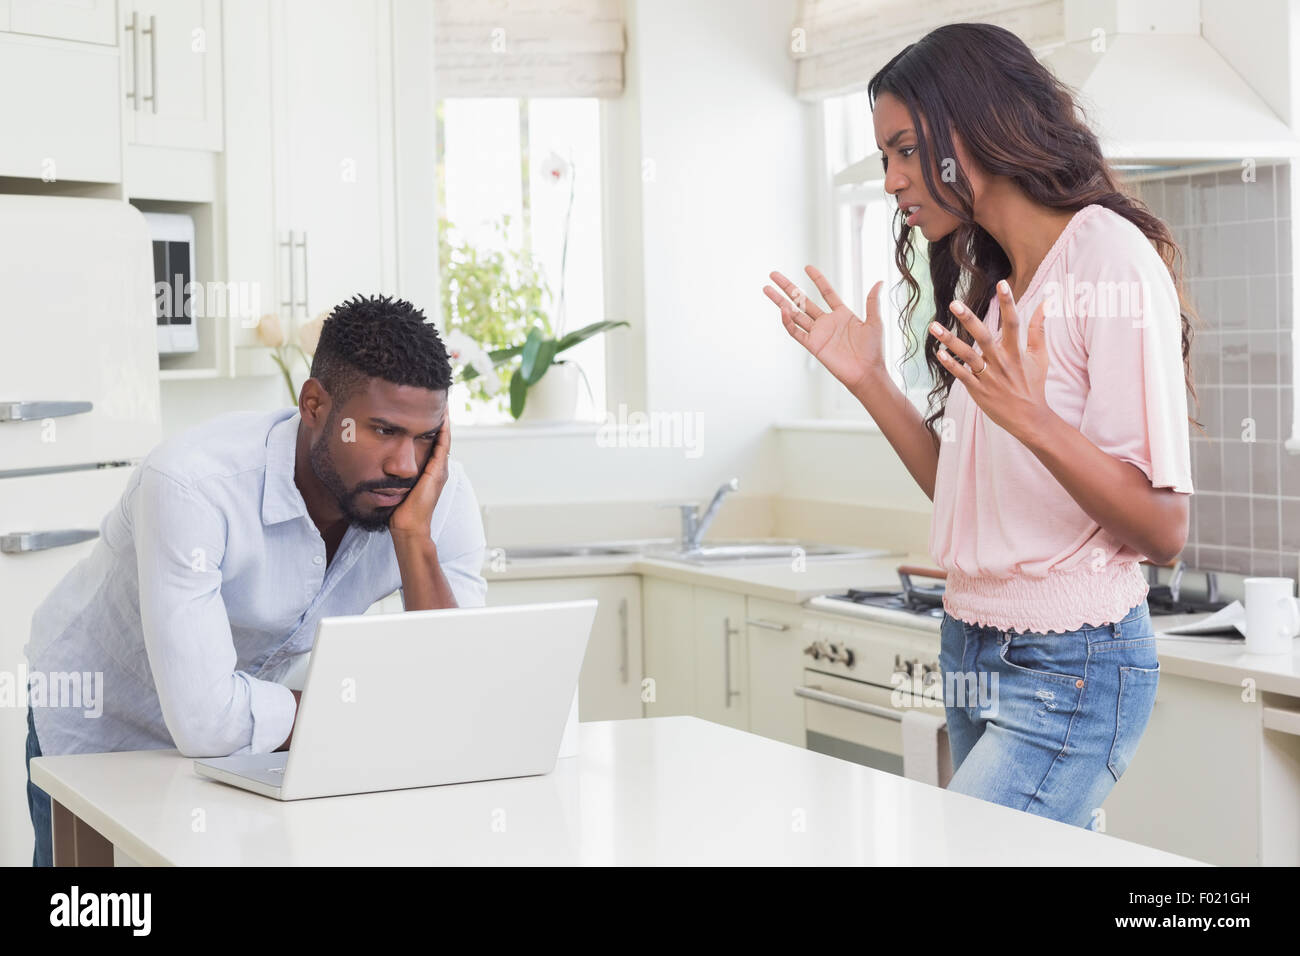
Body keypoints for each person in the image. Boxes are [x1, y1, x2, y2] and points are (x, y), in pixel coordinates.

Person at [763, 22, 1194, 829]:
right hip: (970, 642)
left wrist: (1034, 421)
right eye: (883, 157)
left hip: (1071, 663)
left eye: (901, 150)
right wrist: (870, 384)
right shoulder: (992, 276)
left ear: (966, 126)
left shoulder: (1107, 260)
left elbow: (1166, 528)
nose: (889, 180)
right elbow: (964, 492)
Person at [24, 294, 487, 865]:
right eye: (383, 430)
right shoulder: (194, 483)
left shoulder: (432, 493)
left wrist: (414, 537)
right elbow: (207, 721)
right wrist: (364, 711)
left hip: (259, 737)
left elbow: (456, 689)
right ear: (314, 404)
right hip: (104, 722)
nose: (405, 465)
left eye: (424, 436)